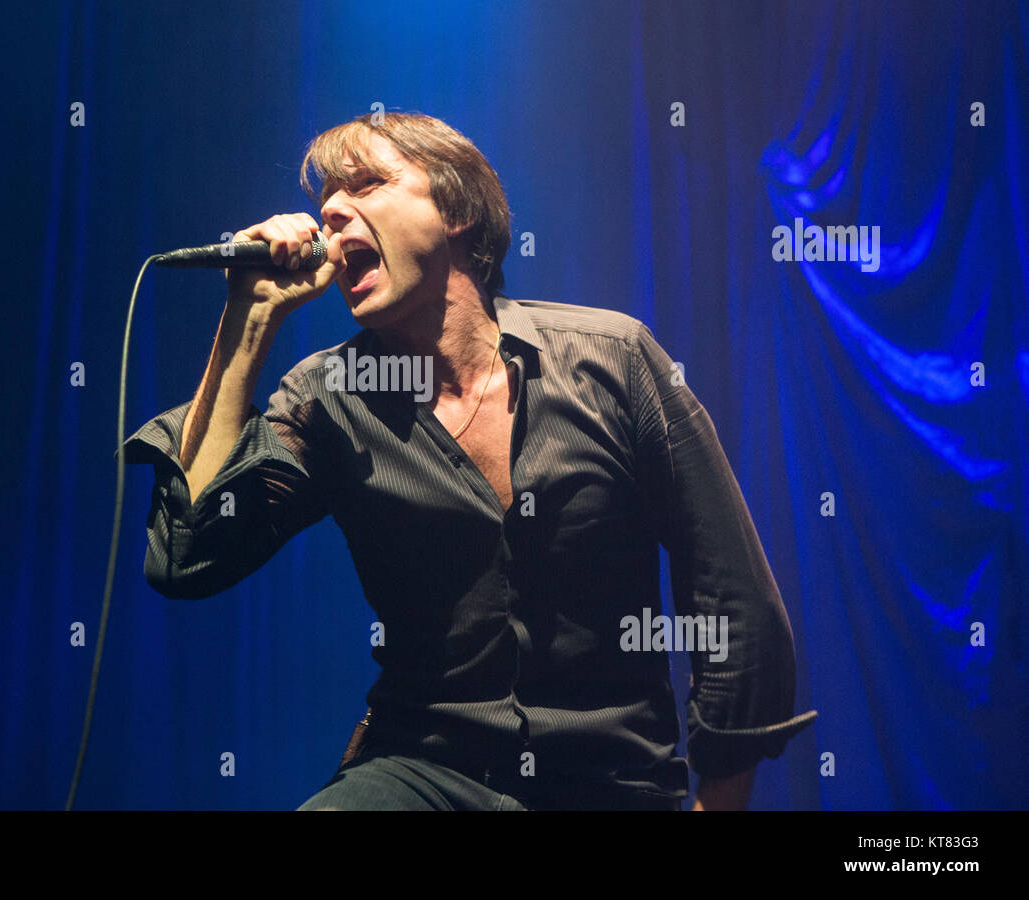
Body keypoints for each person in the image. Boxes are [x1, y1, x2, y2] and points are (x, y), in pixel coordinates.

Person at [120, 112, 817, 810]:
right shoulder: (328, 396)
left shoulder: (613, 361)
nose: (331, 212)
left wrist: (718, 801)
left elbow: (733, 595)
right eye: (326, 201)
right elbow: (187, 558)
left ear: (454, 209)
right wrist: (249, 320)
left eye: (366, 184)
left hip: (610, 782)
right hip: (422, 772)